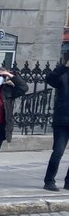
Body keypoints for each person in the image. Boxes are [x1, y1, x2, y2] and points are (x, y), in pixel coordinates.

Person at [44, 53, 69, 191]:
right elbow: (51, 80)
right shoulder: (63, 73)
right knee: (58, 151)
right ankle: (49, 180)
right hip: (62, 119)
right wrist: (64, 67)